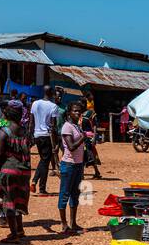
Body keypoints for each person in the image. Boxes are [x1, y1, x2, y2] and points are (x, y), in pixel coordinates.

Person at [0, 99, 32, 242]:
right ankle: (20, 229)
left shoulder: (4, 131)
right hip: (24, 171)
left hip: (9, 170)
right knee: (18, 200)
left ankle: (14, 235)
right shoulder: (24, 131)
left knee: (8, 202)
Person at [58, 101, 88, 235]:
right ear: (69, 112)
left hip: (78, 164)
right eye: (75, 111)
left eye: (79, 111)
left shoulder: (76, 126)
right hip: (68, 164)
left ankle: (73, 223)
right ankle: (64, 224)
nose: (77, 113)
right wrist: (83, 138)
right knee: (65, 194)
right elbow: (71, 146)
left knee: (75, 194)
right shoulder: (67, 127)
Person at [30, 87, 60, 195]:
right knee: (45, 162)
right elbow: (53, 125)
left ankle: (34, 181)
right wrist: (56, 142)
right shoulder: (53, 106)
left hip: (37, 135)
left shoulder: (35, 104)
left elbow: (31, 122)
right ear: (51, 93)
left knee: (43, 160)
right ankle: (41, 188)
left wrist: (31, 136)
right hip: (47, 136)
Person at [79, 100, 103, 180]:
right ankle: (97, 172)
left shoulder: (90, 113)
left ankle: (82, 174)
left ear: (84, 104)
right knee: (85, 154)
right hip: (81, 137)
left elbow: (95, 125)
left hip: (89, 137)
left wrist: (94, 138)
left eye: (81, 104)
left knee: (88, 154)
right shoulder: (79, 114)